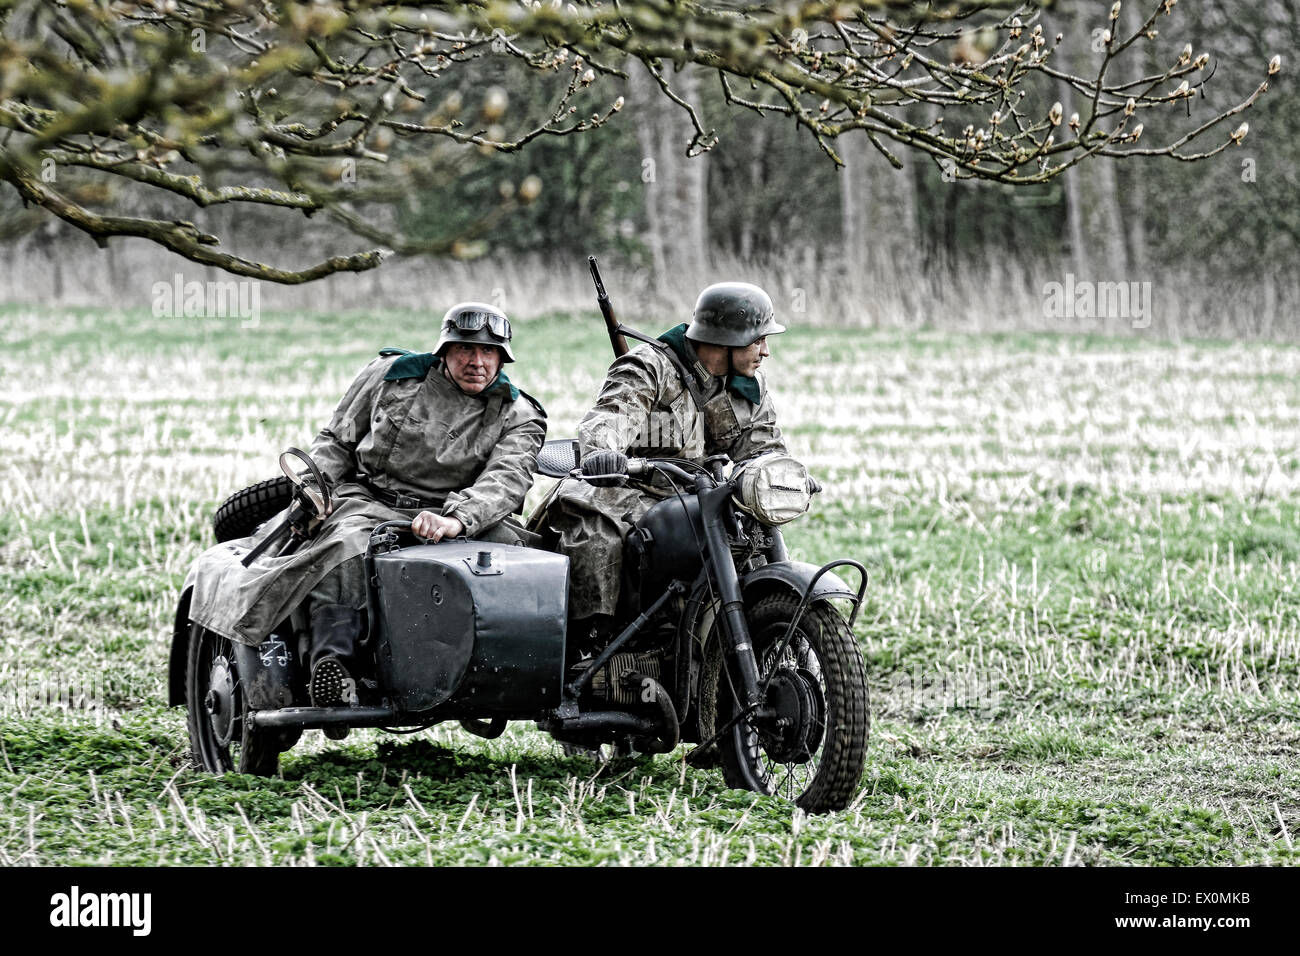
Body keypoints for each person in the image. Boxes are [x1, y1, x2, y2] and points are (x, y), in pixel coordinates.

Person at [185, 302, 547, 708]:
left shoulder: (520, 414)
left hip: (459, 514)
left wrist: (458, 518)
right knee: (346, 550)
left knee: (526, 567)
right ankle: (333, 666)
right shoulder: (390, 375)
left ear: (503, 357)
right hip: (374, 500)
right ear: (444, 351)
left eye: (489, 352)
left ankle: (521, 670)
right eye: (466, 349)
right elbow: (337, 441)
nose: (477, 362)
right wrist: (314, 489)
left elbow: (507, 479)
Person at [544, 281, 792, 642]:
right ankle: (590, 642)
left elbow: (765, 446)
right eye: (758, 340)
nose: (765, 351)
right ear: (728, 339)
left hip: (705, 497)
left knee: (756, 540)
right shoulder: (651, 368)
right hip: (630, 487)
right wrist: (602, 452)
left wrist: (781, 475)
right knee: (596, 538)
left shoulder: (747, 385)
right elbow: (611, 416)